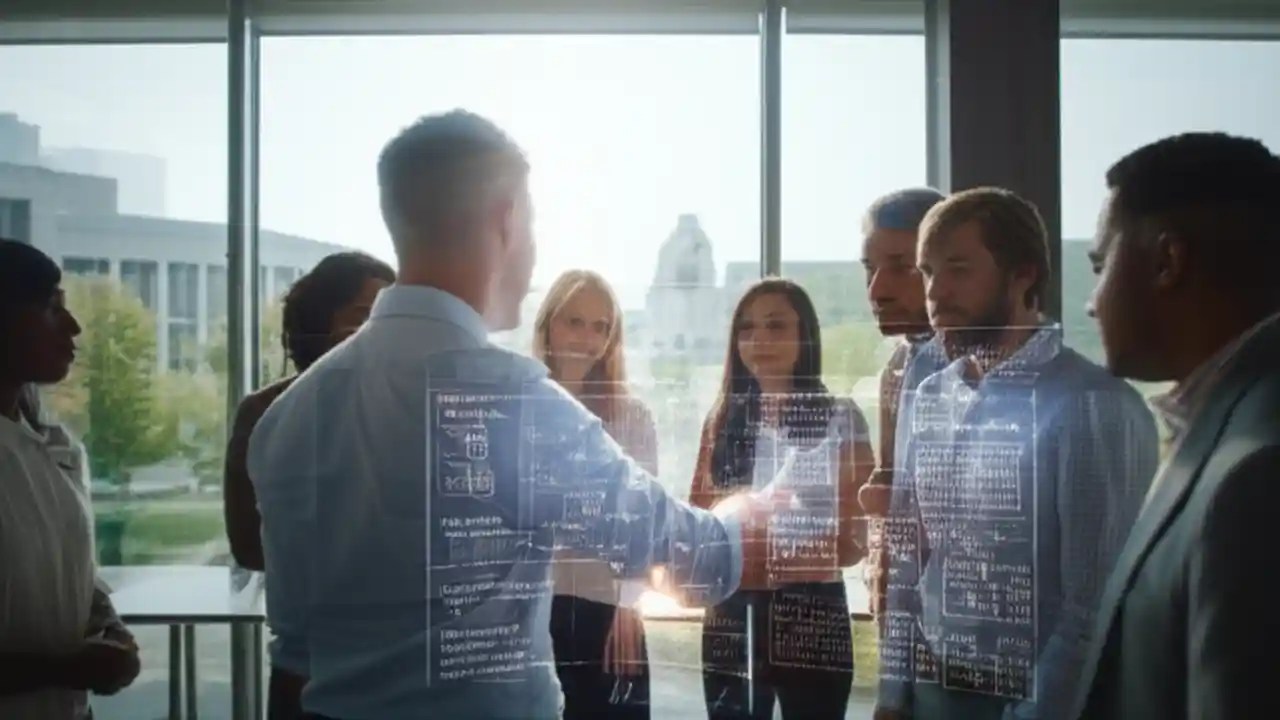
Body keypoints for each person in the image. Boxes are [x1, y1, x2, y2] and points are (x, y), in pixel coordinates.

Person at [247, 110, 775, 720]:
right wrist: (744, 512)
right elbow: (695, 559)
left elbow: (294, 649)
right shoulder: (514, 402)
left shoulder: (287, 417)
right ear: (506, 217)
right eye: (532, 220)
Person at [874, 189, 1159, 720]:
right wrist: (892, 695)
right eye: (928, 272)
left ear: (1022, 274)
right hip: (929, 693)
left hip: (1028, 700)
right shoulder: (930, 395)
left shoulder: (1092, 406)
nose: (936, 293)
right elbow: (910, 558)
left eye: (957, 269)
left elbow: (1091, 608)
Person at [1071, 133, 1280, 720]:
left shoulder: (1256, 471)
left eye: (1099, 264)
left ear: (1167, 261)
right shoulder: (1224, 423)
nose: (1091, 303)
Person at [688, 278, 876, 720]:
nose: (759, 341)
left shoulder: (841, 416)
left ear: (803, 336)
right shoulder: (721, 420)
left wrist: (774, 553)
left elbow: (857, 539)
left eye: (776, 326)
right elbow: (695, 523)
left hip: (811, 609)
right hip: (731, 609)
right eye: (748, 328)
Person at [223, 251, 394, 720]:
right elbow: (246, 546)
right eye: (362, 316)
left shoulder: (406, 411)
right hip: (310, 667)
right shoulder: (265, 411)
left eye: (386, 319)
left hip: (399, 669)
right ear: (320, 318)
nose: (376, 333)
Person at [0, 238, 141, 719]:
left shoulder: (49, 443)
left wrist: (109, 626)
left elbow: (74, 574)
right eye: (50, 308)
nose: (74, 326)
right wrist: (60, 669)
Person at [533, 269, 656, 719]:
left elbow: (643, 523)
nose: (587, 337)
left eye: (601, 326)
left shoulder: (631, 416)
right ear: (548, 324)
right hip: (531, 610)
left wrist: (628, 607)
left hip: (607, 610)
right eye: (574, 321)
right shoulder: (517, 407)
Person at [854, 188, 949, 623]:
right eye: (870, 269)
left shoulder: (981, 376)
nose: (877, 290)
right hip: (901, 616)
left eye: (901, 268)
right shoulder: (896, 367)